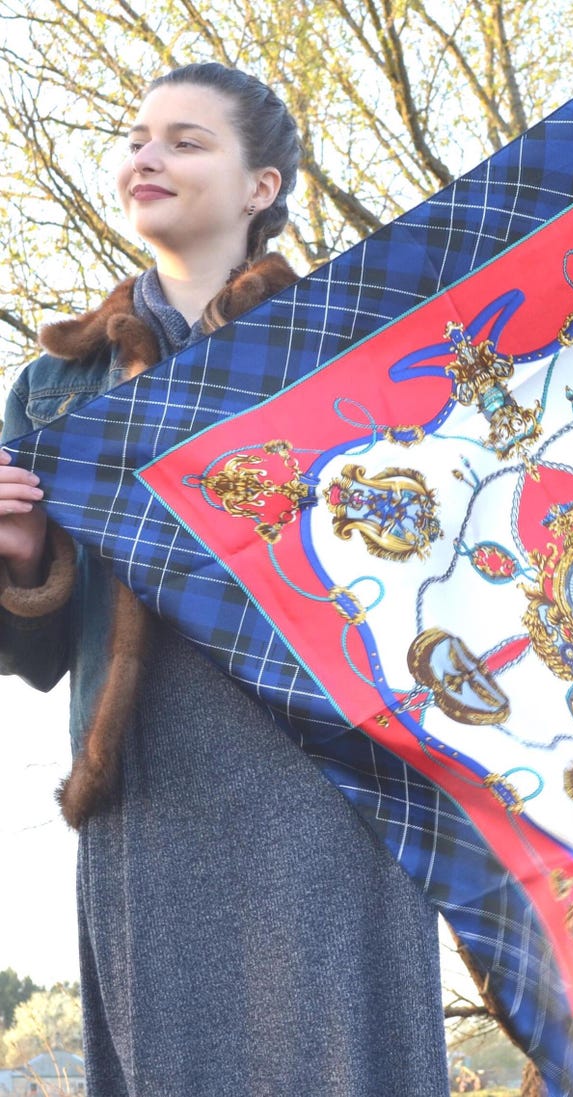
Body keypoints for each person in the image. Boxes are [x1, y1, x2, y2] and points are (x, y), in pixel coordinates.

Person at [0, 64, 450, 1097]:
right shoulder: (55, 383)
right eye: (136, 136)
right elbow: (31, 654)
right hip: (151, 799)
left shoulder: (353, 340)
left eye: (186, 140)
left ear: (263, 186)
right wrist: (21, 560)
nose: (146, 155)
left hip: (337, 784)